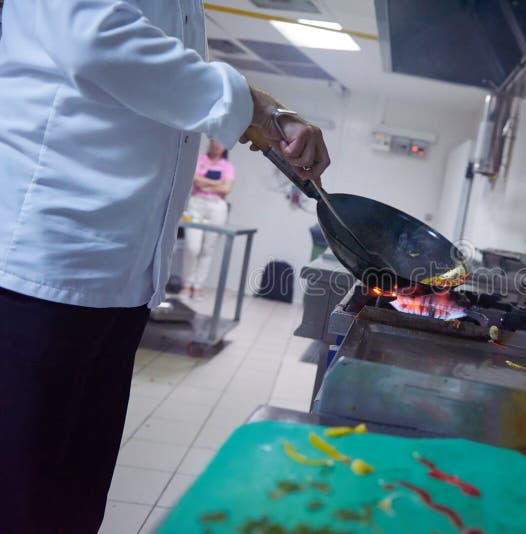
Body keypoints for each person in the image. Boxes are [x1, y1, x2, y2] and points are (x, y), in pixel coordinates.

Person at [0, 1, 330, 531]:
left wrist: (252, 108)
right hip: (44, 267)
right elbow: (93, 35)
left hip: (119, 279)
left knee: (72, 497)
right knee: (21, 494)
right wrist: (250, 106)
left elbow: (155, 80)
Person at [183, 139, 235, 298]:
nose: (216, 144)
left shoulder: (228, 166)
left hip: (217, 207)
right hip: (196, 205)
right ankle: (187, 284)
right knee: (192, 247)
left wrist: (204, 183)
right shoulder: (199, 160)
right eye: (214, 141)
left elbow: (226, 188)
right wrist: (216, 183)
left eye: (220, 142)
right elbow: (194, 180)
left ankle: (197, 286)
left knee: (208, 249)